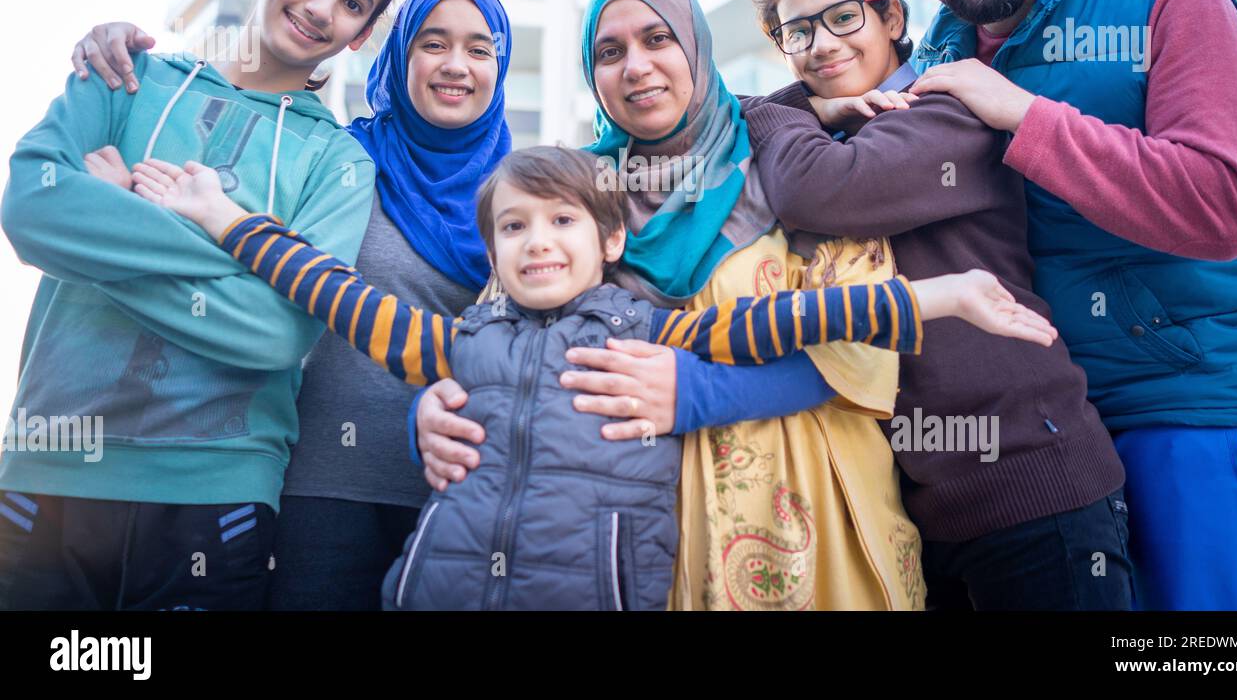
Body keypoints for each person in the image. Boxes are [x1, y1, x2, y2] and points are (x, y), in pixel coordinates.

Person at [126, 143, 1054, 609]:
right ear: (490, 253)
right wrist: (221, 218)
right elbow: (332, 291)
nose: (538, 241)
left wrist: (947, 294)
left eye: (563, 221)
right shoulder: (451, 345)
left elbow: (800, 321)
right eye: (516, 226)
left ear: (609, 241)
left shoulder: (657, 331)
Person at [870, 0, 1237, 610]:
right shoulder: (930, 67)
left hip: (1181, 406)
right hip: (1042, 439)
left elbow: (1222, 201)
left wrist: (1023, 115)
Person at [418, 0, 928, 610]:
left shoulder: (791, 158)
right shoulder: (572, 194)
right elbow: (496, 340)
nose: (636, 67)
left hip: (803, 508)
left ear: (696, 48)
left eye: (658, 39)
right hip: (628, 530)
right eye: (610, 52)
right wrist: (437, 409)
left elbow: (861, 347)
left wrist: (697, 394)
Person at [62, 0, 514, 610]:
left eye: (479, 49)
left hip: (460, 491)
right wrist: (126, 187)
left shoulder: (523, 195)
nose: (455, 66)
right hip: (317, 489)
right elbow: (231, 223)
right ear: (399, 55)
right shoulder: (337, 155)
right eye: (432, 43)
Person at [0, 0, 406, 610]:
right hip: (47, 472)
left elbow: (278, 334)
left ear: (362, 34)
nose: (320, 8)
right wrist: (239, 250)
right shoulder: (123, 76)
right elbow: (31, 211)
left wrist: (117, 212)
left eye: (352, 4)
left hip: (218, 495)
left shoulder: (340, 162)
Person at [742, 0, 1134, 609]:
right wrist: (812, 109)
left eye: (842, 17)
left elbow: (827, 191)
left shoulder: (948, 109)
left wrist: (791, 111)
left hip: (1034, 492)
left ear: (892, 18)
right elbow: (735, 123)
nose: (824, 45)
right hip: (922, 511)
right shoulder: (825, 131)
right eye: (796, 32)